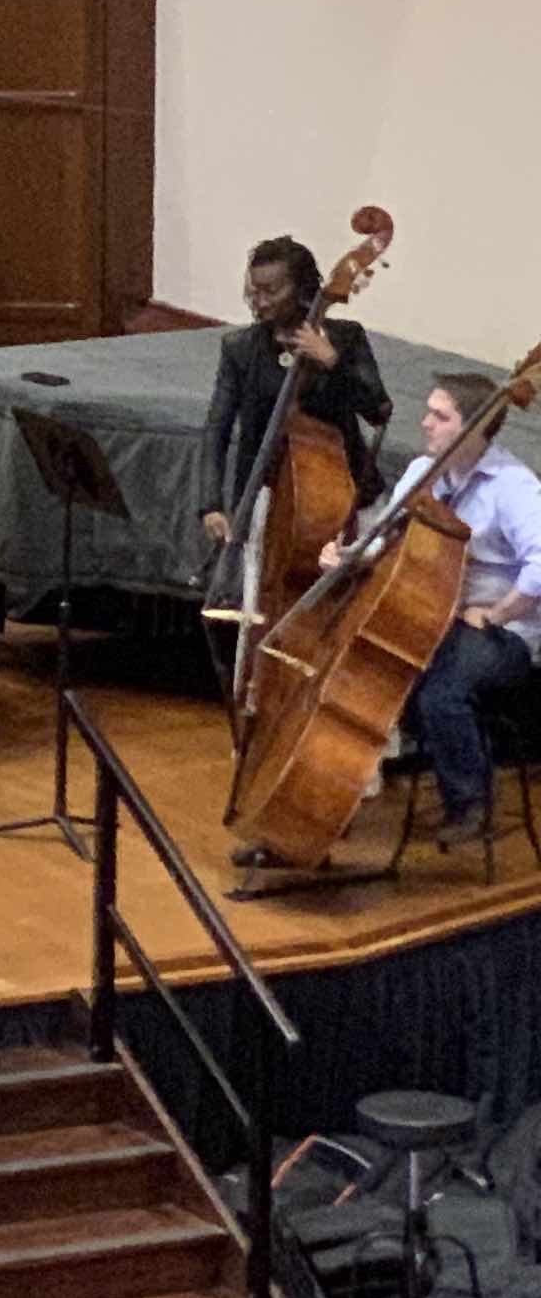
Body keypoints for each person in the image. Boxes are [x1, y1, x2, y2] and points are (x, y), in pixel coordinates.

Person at [352, 375, 541, 849]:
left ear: (474, 429)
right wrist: (349, 556)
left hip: (505, 629)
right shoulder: (422, 473)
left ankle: (471, 802)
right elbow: (383, 537)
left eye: (441, 416)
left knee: (442, 693)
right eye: (429, 412)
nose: (426, 423)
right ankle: (338, 788)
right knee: (376, 668)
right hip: (437, 615)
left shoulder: (513, 485)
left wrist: (496, 614)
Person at [200, 235, 392, 562]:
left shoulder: (346, 338)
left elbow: (379, 410)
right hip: (264, 498)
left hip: (344, 499)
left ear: (302, 289)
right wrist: (211, 504)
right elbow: (217, 428)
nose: (259, 302)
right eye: (253, 291)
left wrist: (332, 361)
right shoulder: (240, 348)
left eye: (271, 292)